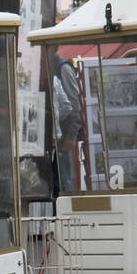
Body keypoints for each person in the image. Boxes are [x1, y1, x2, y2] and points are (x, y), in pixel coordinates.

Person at [52, 54, 81, 192]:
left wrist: (71, 136)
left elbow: (74, 105)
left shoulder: (63, 68)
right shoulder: (52, 67)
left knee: (63, 183)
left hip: (62, 138)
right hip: (55, 139)